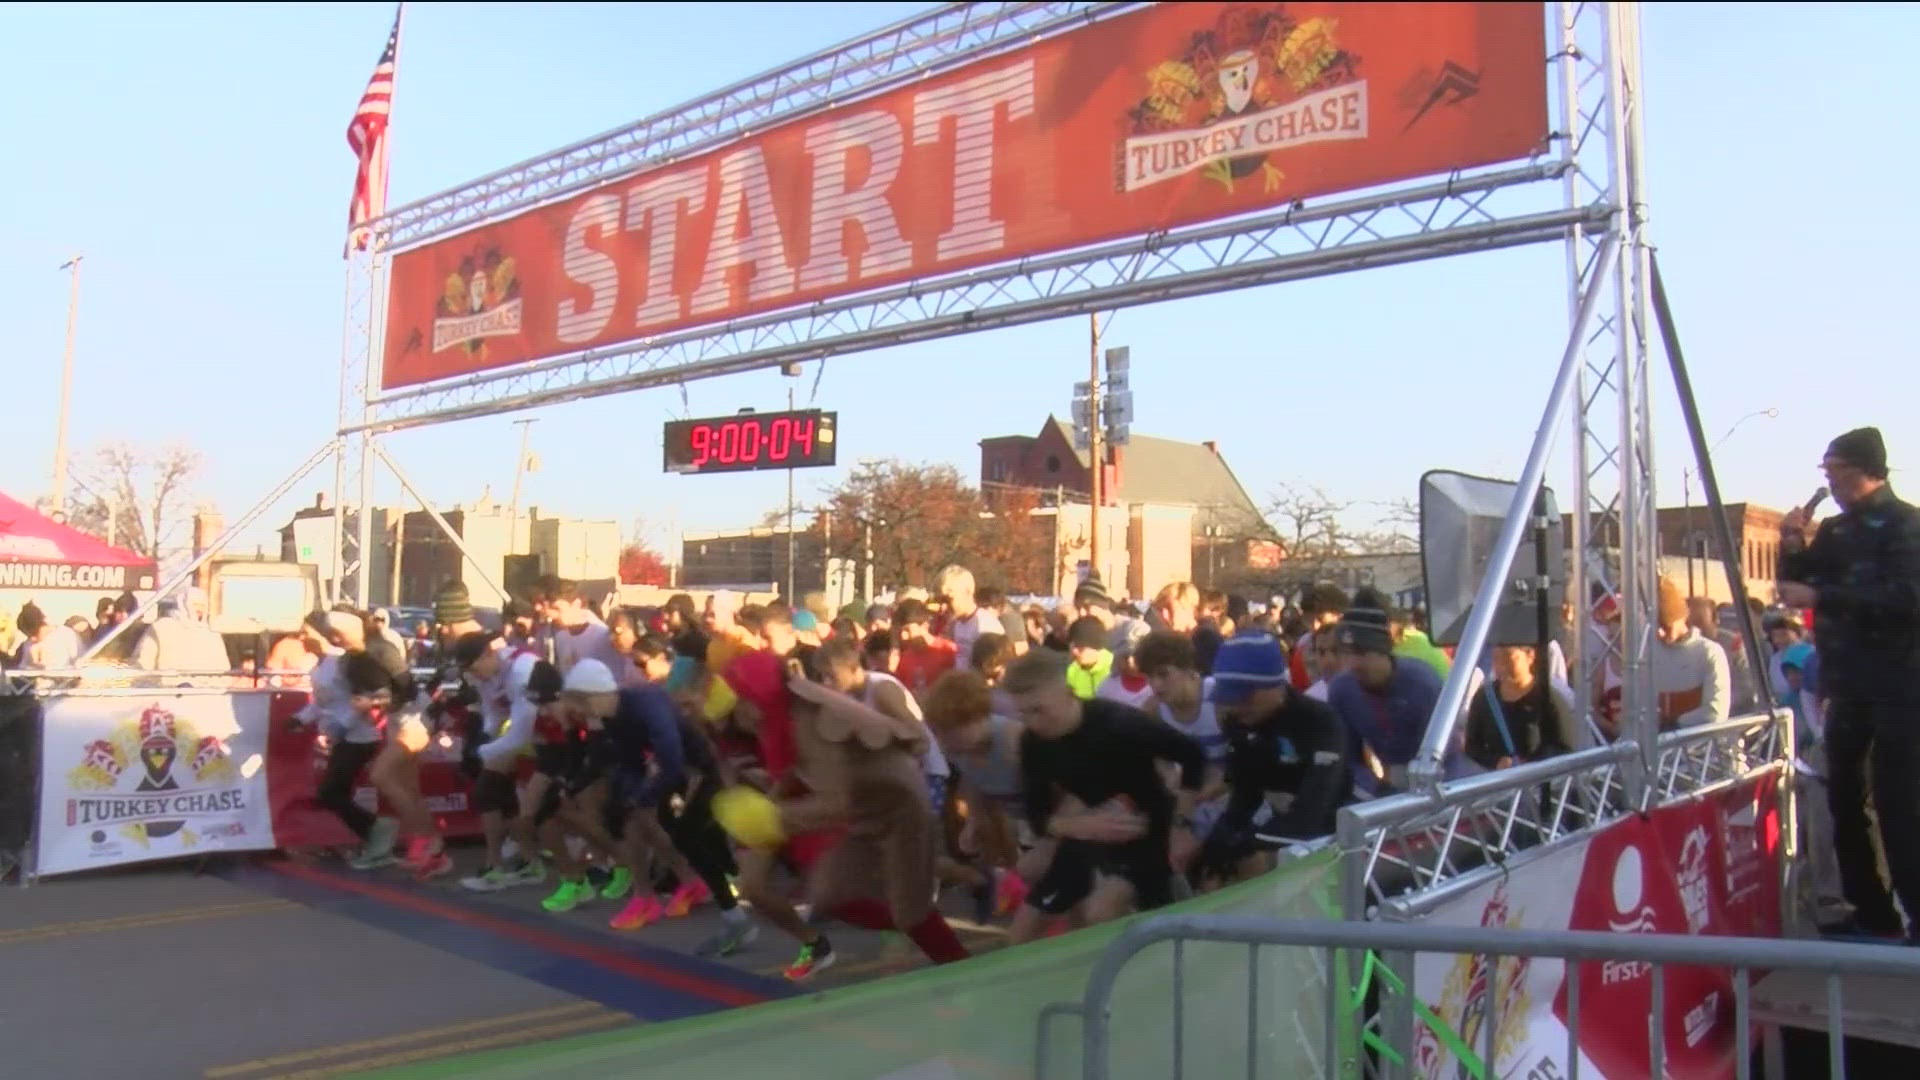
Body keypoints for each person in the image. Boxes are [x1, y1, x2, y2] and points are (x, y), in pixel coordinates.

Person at [1778, 426, 1920, 942]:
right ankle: (1873, 911)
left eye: (1837, 470)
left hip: (1900, 684)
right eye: (1827, 471)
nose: (1831, 481)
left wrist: (1824, 599)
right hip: (1848, 685)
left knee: (1899, 802)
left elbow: (1906, 597)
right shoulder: (1836, 531)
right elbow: (1798, 586)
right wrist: (1792, 545)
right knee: (1844, 797)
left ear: (1867, 470)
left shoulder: (1906, 525)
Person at [1003, 647, 1206, 944]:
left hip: (1144, 833)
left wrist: (1182, 824)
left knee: (1101, 911)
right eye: (1023, 713)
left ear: (1066, 691)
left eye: (1039, 710)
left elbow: (1193, 755)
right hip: (1086, 835)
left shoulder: (1118, 723)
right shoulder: (1032, 742)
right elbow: (1037, 814)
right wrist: (1076, 826)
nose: (1032, 722)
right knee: (1020, 934)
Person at [1196, 632, 1351, 883]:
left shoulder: (1320, 721)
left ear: (1275, 686)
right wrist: (1216, 845)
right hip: (1280, 821)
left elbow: (1312, 813)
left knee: (1252, 862)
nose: (1236, 707)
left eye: (1244, 697)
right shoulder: (1238, 722)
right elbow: (1244, 796)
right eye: (1229, 698)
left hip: (1334, 827)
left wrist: (1246, 844)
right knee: (1213, 866)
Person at [923, 669, 1029, 919]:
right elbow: (975, 784)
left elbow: (1056, 794)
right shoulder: (957, 748)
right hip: (1010, 809)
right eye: (938, 732)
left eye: (950, 731)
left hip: (1044, 816)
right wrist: (974, 821)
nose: (943, 741)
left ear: (978, 717)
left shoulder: (1013, 742)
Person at [1325, 592, 1451, 792]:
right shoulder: (1342, 689)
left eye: (1361, 653)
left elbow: (1449, 755)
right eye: (1345, 653)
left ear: (1383, 652)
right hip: (1388, 784)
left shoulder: (1422, 683)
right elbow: (1347, 759)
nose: (1353, 664)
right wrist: (1375, 789)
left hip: (1443, 780)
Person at [454, 632, 550, 892]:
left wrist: (483, 751)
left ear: (488, 654)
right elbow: (493, 713)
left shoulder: (521, 669)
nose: (475, 676)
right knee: (492, 793)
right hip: (532, 735)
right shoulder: (485, 674)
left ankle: (601, 864)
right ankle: (506, 864)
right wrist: (484, 739)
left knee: (558, 814)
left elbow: (521, 731)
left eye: (474, 668)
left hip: (553, 737)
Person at [1464, 645, 1579, 771]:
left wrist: (1534, 765)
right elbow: (1472, 747)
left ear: (1530, 655)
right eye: (1496, 658)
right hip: (1502, 780)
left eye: (1508, 657)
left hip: (1541, 777)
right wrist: (1496, 762)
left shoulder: (1550, 697)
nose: (1501, 665)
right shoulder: (1484, 697)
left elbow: (1567, 746)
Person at [1649, 578, 1731, 729]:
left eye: (1665, 625)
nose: (1660, 633)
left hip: (1698, 742)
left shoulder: (1709, 653)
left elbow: (1715, 713)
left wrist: (1673, 724)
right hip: (1656, 742)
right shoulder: (1647, 654)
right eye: (1655, 626)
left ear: (1681, 618)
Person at [1688, 596, 1756, 713]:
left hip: (1730, 715)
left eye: (1700, 624)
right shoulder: (1677, 645)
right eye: (1689, 625)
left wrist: (1714, 706)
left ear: (1716, 620)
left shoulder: (1732, 644)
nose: (1695, 631)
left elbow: (1745, 688)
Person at [935, 565, 1002, 669]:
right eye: (941, 601)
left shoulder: (986, 627)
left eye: (949, 600)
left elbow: (995, 670)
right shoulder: (957, 623)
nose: (943, 607)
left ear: (968, 591)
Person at [892, 598, 958, 696]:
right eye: (900, 631)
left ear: (925, 625)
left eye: (907, 630)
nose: (903, 636)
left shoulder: (947, 650)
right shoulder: (904, 659)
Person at [1290, 585, 1349, 691]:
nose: (1314, 626)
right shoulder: (1302, 648)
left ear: (1339, 615)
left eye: (1320, 619)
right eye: (1308, 621)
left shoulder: (1354, 647)